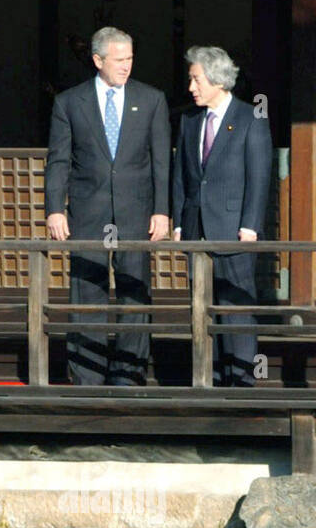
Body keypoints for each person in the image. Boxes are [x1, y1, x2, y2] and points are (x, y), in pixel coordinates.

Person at [45, 27, 170, 386]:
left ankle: (129, 374)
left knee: (134, 293)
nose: (126, 66)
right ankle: (87, 375)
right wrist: (55, 207)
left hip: (136, 212)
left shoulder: (151, 100)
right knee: (87, 293)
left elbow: (161, 161)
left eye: (130, 59)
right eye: (119, 60)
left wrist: (161, 210)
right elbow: (59, 161)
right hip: (87, 211)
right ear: (98, 60)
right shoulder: (69, 102)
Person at [172, 45, 273, 386]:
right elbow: (180, 176)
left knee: (236, 309)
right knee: (202, 308)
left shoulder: (250, 118)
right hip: (196, 228)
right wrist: (179, 222)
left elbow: (258, 177)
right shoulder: (189, 120)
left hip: (233, 230)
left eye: (196, 79)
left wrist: (250, 226)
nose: (191, 87)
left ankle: (242, 382)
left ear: (217, 79)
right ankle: (207, 380)